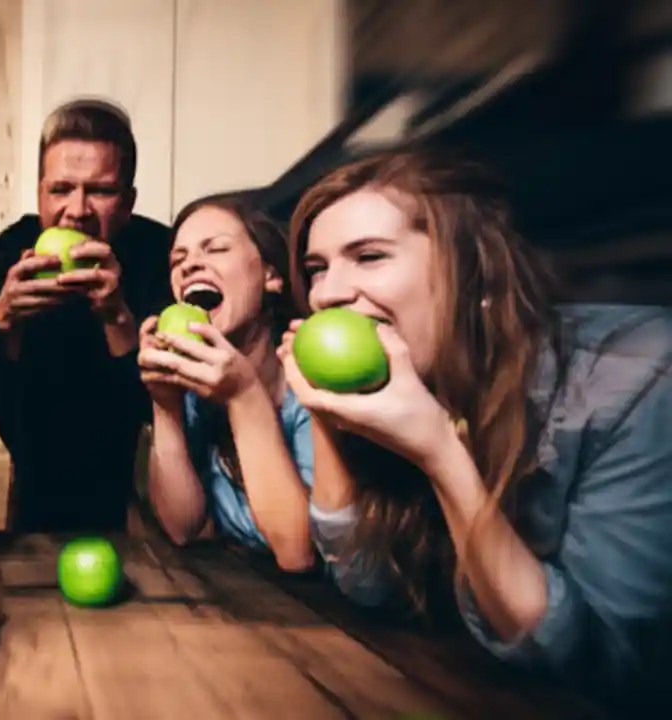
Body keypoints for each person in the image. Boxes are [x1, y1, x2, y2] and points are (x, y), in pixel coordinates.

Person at [276, 148, 672, 709]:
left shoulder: (635, 375)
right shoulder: (407, 383)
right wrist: (326, 414)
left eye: (368, 256)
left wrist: (440, 453)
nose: (326, 294)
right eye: (317, 268)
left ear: (474, 270)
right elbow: (368, 584)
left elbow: (597, 658)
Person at [0, 99, 173, 533]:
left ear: (128, 202)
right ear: (39, 193)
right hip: (35, 487)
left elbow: (161, 410)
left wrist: (117, 316)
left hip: (149, 504)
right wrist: (3, 325)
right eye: (61, 189)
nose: (78, 209)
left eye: (100, 191)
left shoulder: (163, 258)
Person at [139, 193, 314, 570]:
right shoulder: (199, 394)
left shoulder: (310, 381)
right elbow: (182, 527)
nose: (190, 266)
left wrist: (244, 394)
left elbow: (299, 553)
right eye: (178, 259)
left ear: (271, 275)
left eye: (215, 249)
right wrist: (165, 405)